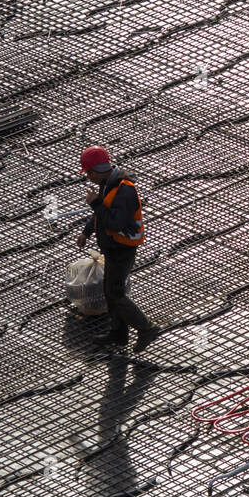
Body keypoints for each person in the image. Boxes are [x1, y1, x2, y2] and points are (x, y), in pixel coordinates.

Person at [75, 146, 161, 352]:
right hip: (113, 247)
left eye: (88, 173)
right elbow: (101, 215)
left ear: (95, 171)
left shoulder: (124, 190)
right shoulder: (108, 185)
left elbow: (115, 223)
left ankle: (147, 328)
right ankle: (119, 334)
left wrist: (95, 204)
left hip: (122, 249)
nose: (89, 178)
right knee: (110, 290)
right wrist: (86, 232)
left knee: (115, 293)